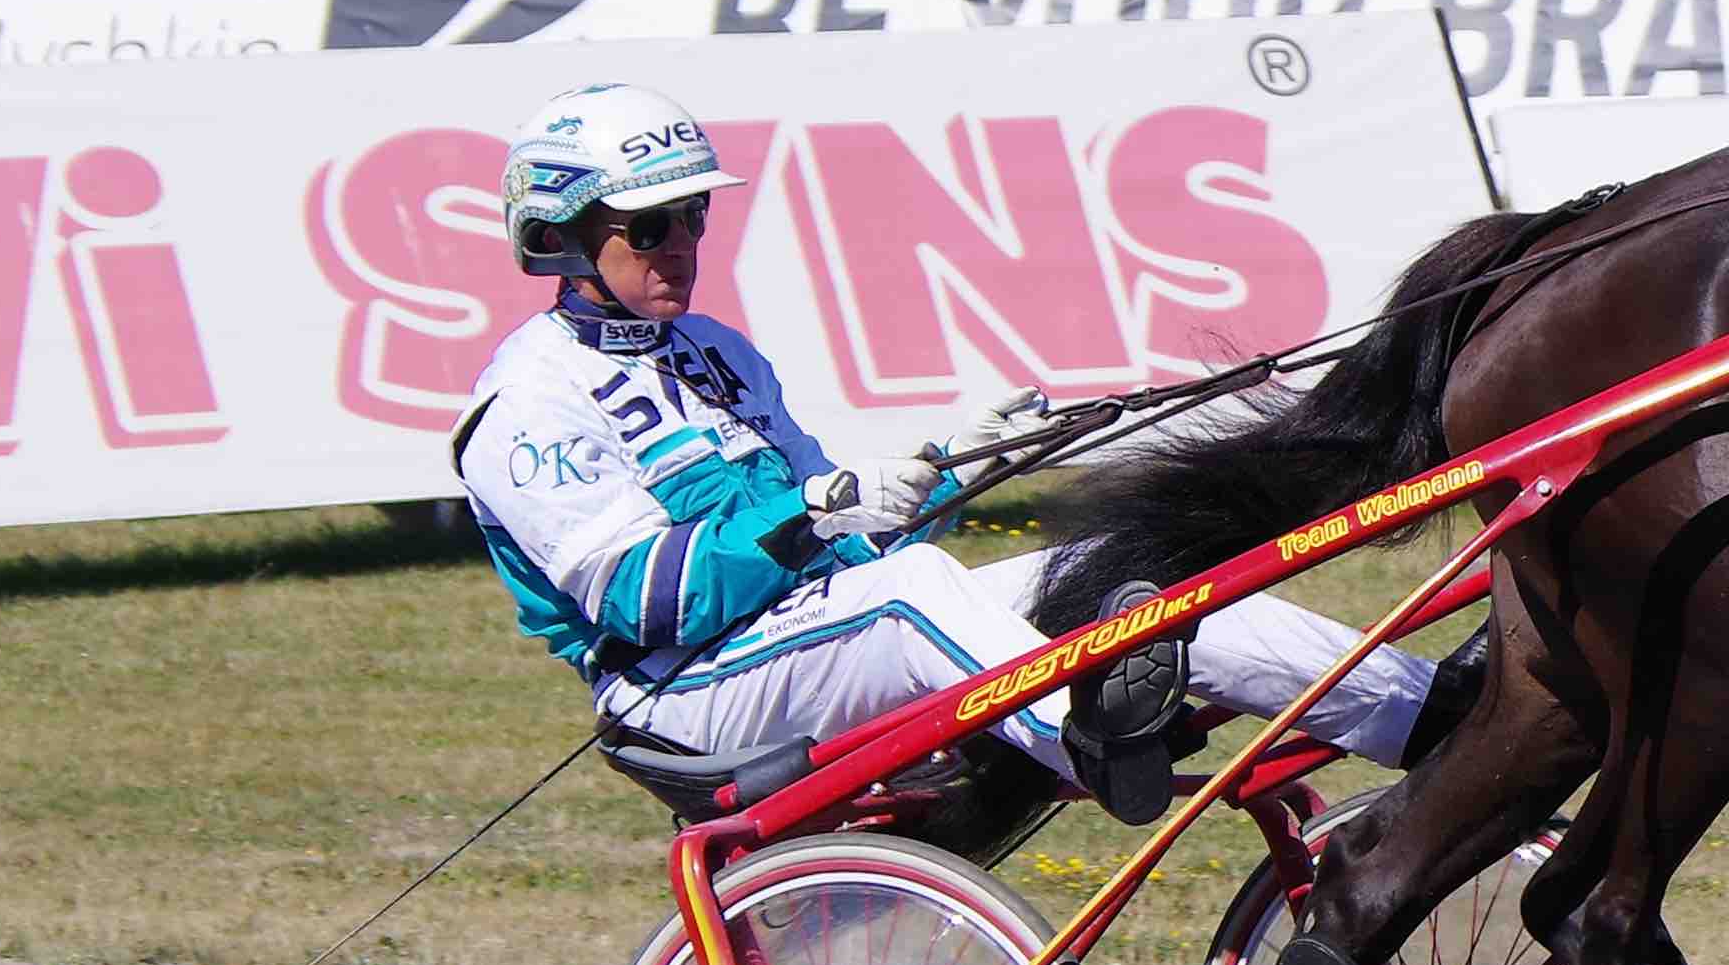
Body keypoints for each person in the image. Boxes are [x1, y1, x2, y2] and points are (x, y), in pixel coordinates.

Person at [453, 80, 1467, 821]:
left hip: (798, 639)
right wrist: (819, 509)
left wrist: (951, 472)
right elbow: (644, 600)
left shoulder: (718, 354)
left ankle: (1436, 723)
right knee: (920, 594)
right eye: (649, 224)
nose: (681, 241)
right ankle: (1088, 740)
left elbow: (849, 549)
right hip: (681, 692)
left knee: (1133, 583)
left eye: (695, 215)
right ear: (567, 233)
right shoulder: (527, 402)